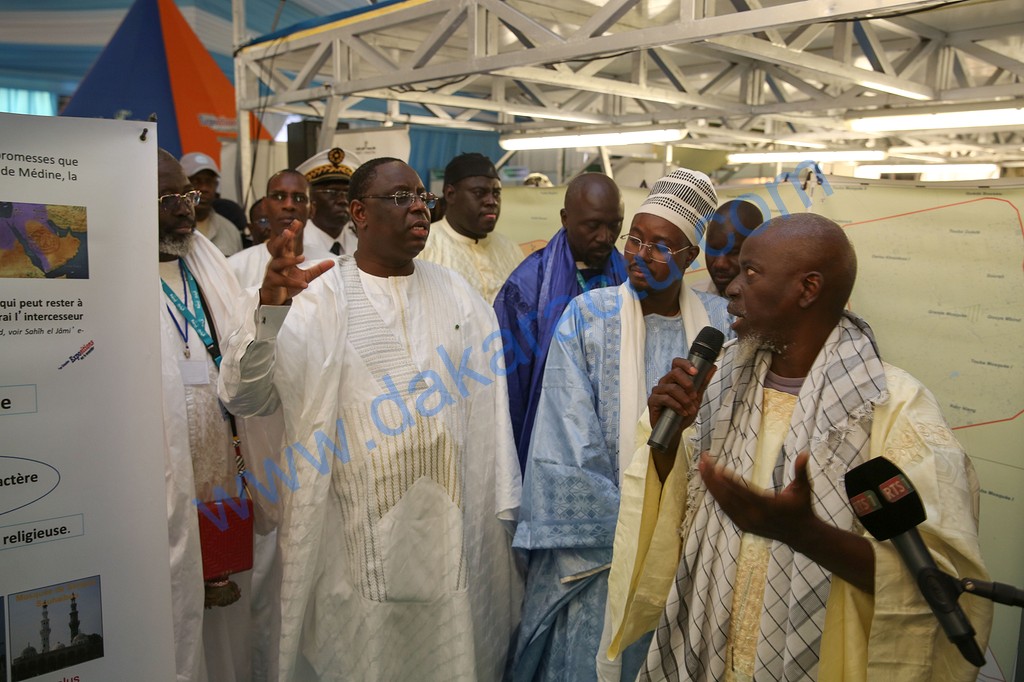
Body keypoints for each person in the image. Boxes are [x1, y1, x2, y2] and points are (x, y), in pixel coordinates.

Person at [605, 213, 992, 681]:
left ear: (807, 289)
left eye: (751, 272)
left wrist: (803, 533)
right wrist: (666, 447)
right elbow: (670, 516)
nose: (730, 286)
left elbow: (940, 585)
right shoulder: (718, 379)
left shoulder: (894, 408)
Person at [217, 157, 523, 681]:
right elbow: (244, 397)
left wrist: (502, 508)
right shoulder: (312, 296)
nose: (419, 210)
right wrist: (269, 312)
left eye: (422, 197)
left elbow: (491, 425)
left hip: (449, 540)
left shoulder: (461, 297)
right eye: (400, 197)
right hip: (346, 542)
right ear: (358, 212)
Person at [511, 169, 733, 682]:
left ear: (690, 258)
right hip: (597, 564)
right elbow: (564, 452)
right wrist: (641, 533)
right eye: (635, 237)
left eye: (661, 246)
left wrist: (675, 541)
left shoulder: (722, 330)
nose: (639, 253)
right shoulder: (587, 317)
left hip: (685, 564)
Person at [157, 149, 252, 682]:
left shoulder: (207, 262)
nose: (184, 210)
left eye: (188, 197)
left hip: (219, 464)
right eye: (168, 199)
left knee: (224, 631)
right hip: (156, 479)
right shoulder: (108, 281)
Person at [494, 172, 628, 472]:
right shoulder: (527, 287)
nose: (605, 237)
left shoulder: (629, 279)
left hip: (615, 442)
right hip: (550, 444)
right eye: (593, 226)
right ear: (565, 218)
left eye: (615, 225)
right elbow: (511, 391)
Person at [418, 152, 524, 302]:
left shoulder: (511, 249)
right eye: (479, 193)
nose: (491, 201)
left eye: (496, 193)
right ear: (450, 194)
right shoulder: (423, 249)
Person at [228, 170, 315, 289]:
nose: (289, 205)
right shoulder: (236, 267)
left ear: (312, 210)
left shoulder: (331, 265)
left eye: (299, 198)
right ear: (265, 205)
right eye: (279, 197)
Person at [296, 146, 362, 258]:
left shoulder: (360, 246)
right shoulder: (297, 245)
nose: (342, 200)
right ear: (310, 198)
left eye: (347, 192)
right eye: (332, 192)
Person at [180, 152, 243, 257]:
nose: (204, 188)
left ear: (216, 186)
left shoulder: (230, 231)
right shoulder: (168, 228)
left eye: (209, 182)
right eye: (196, 182)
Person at [701, 199, 764, 296]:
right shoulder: (690, 300)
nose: (720, 264)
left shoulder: (778, 305)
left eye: (734, 252)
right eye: (714, 250)